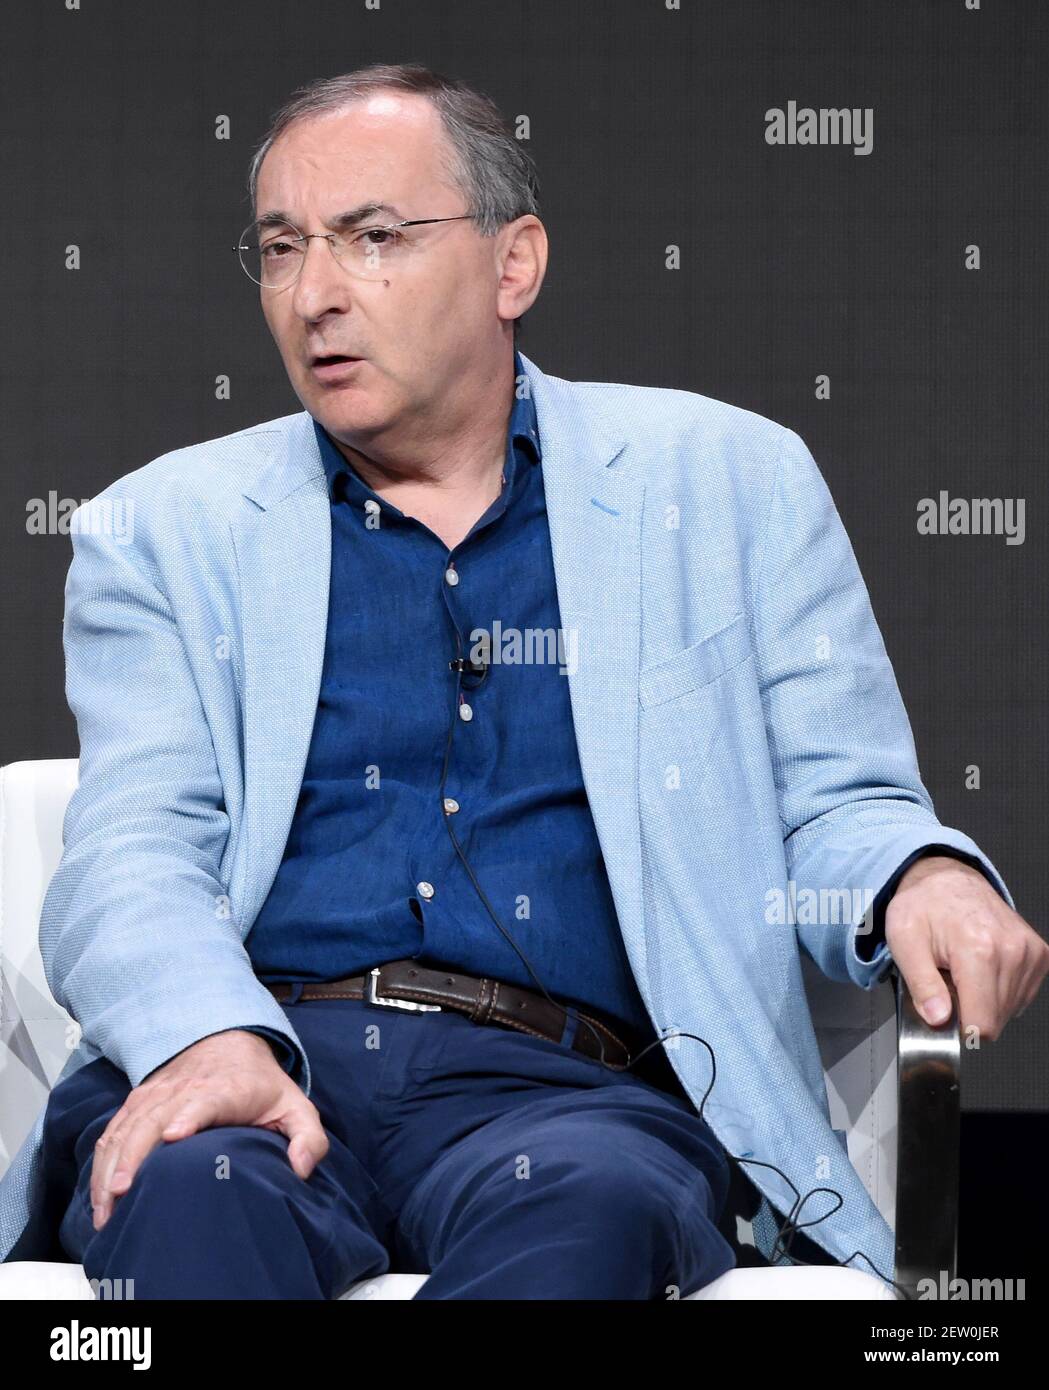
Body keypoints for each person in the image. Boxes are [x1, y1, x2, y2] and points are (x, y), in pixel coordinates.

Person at [1, 63, 1044, 1300]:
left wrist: (920, 874)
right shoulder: (165, 530)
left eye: (373, 238)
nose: (315, 294)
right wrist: (209, 1039)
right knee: (187, 1186)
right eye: (281, 248)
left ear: (514, 265)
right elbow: (132, 852)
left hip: (567, 1095)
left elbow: (835, 804)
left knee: (585, 1216)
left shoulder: (728, 485)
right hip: (267, 1056)